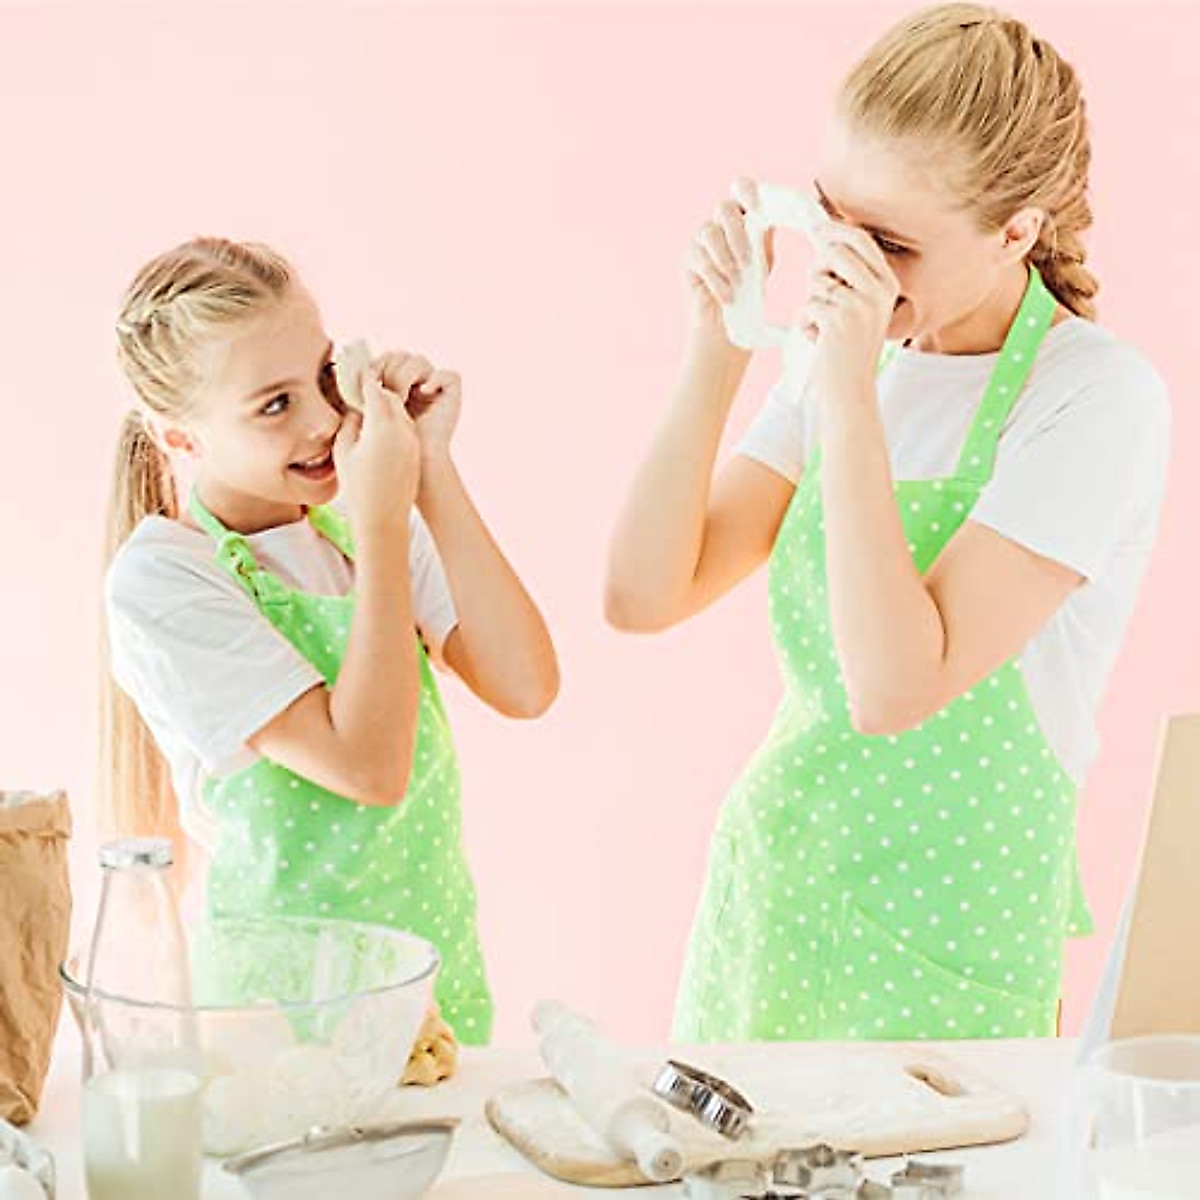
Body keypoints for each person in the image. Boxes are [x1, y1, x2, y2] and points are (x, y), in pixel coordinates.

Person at [605, 3, 1170, 1041]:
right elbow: (644, 594)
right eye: (834, 221)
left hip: (951, 936)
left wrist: (851, 391)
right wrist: (722, 348)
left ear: (1017, 233)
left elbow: (893, 687)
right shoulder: (841, 359)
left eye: (895, 245)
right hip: (775, 899)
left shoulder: (1093, 399)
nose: (852, 268)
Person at [101, 237, 559, 1044]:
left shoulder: (358, 531)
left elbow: (525, 684)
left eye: (320, 379)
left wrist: (431, 469)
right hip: (279, 1017)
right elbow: (367, 768)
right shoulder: (167, 579)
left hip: (426, 975)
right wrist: (384, 521)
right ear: (180, 439)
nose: (322, 422)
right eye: (273, 406)